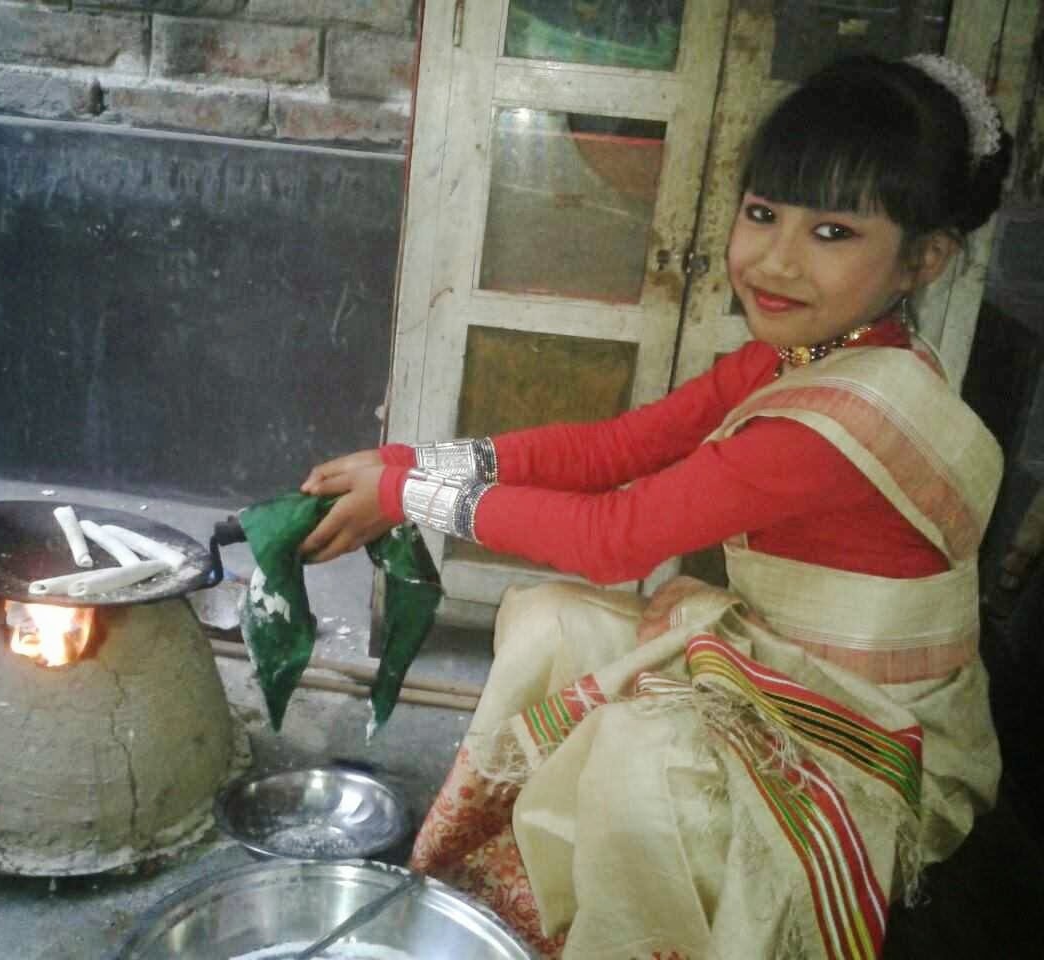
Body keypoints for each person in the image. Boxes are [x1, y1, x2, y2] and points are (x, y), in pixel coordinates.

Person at [299, 54, 1013, 960]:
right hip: (787, 669)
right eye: (762, 214)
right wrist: (409, 463)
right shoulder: (803, 355)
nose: (776, 259)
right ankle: (519, 902)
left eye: (833, 232)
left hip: (869, 733)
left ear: (925, 260)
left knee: (643, 757)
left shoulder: (834, 422)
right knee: (556, 626)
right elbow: (620, 448)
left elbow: (616, 538)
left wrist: (406, 493)